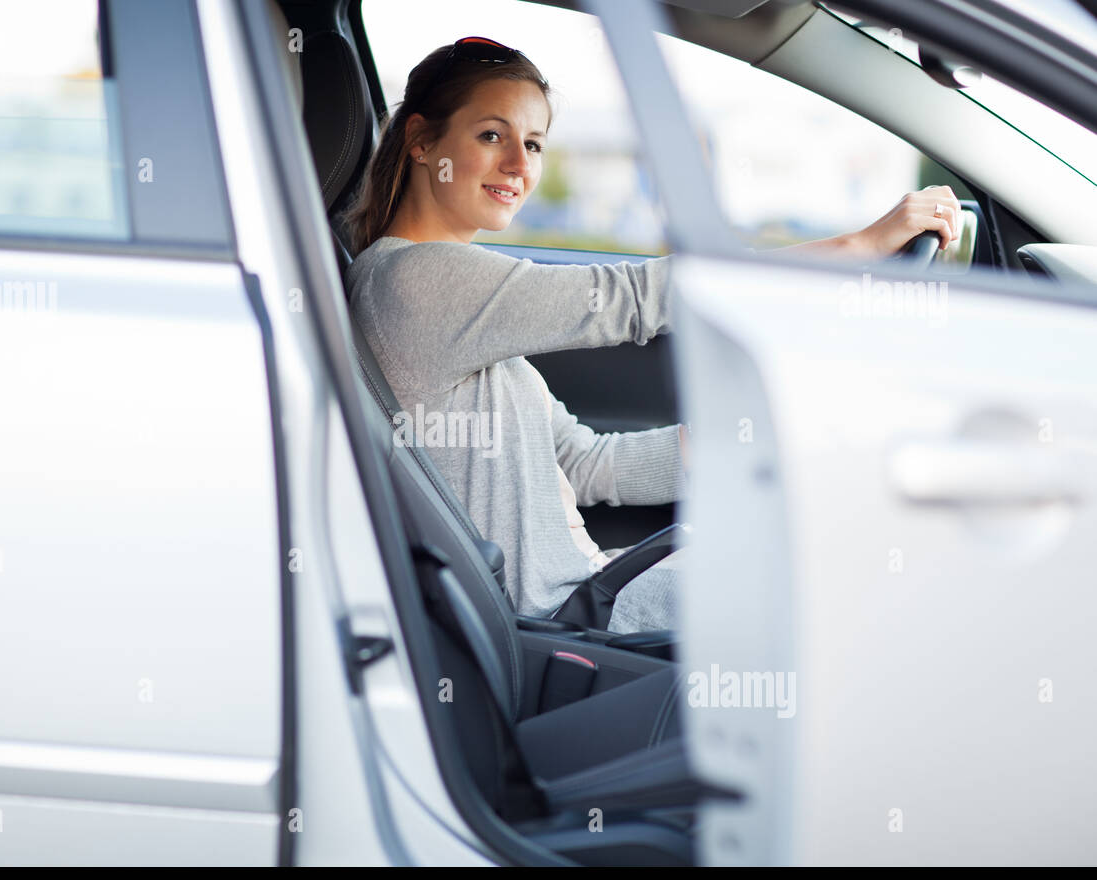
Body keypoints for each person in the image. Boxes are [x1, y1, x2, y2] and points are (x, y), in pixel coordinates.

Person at [342, 36, 961, 633]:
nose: (518, 165)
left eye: (533, 143)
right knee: (862, 573)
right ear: (423, 140)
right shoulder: (414, 280)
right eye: (491, 135)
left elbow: (584, 464)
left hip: (593, 595)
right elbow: (630, 298)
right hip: (568, 624)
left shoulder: (441, 291)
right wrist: (857, 246)